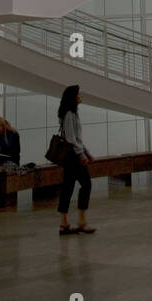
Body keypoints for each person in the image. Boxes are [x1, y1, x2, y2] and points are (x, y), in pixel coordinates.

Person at [56, 85, 96, 236]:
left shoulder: (72, 113)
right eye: (79, 94)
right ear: (73, 96)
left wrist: (86, 152)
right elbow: (71, 139)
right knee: (85, 184)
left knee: (68, 187)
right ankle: (80, 222)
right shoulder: (69, 114)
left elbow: (76, 138)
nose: (81, 96)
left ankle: (65, 223)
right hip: (73, 156)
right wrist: (82, 155)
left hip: (73, 155)